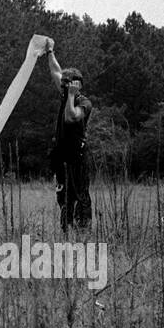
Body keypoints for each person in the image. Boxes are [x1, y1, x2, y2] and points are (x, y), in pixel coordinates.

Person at [44, 39, 93, 230]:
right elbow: (55, 71)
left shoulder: (84, 103)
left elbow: (71, 118)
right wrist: (50, 52)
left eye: (67, 83)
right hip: (62, 157)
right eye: (63, 83)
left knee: (80, 195)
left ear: (76, 84)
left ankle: (83, 230)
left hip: (77, 158)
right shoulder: (66, 95)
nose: (62, 85)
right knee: (63, 196)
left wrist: (72, 95)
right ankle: (66, 229)